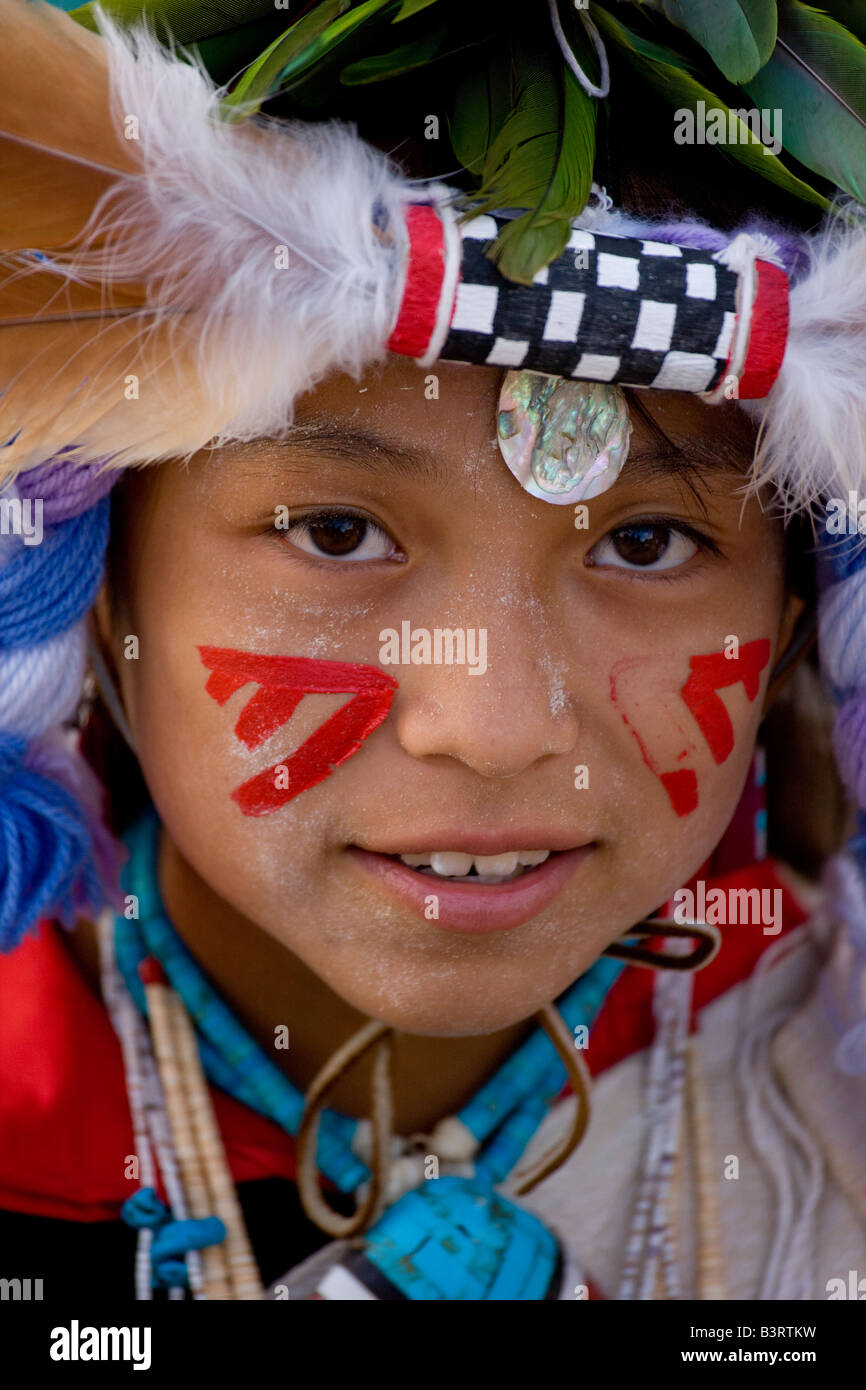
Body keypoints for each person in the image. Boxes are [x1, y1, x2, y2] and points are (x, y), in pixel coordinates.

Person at [0, 0, 864, 1301]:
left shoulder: (826, 1119)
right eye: (337, 531)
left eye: (642, 545)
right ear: (95, 587)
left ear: (789, 621)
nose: (493, 721)